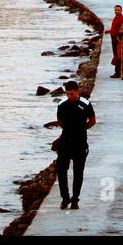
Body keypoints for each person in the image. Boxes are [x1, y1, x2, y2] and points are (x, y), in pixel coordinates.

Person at [49, 81, 96, 210]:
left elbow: (92, 121)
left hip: (80, 142)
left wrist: (82, 129)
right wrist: (69, 130)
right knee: (61, 170)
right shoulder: (62, 105)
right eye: (68, 94)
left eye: (72, 94)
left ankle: (75, 199)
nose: (70, 96)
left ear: (77, 91)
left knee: (78, 172)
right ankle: (65, 198)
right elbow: (59, 121)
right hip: (65, 141)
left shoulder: (85, 104)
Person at [108, 4, 123, 79]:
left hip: (117, 40)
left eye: (118, 10)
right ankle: (117, 71)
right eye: (115, 10)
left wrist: (118, 38)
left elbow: (122, 30)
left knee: (117, 56)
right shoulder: (116, 18)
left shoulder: (122, 19)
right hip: (113, 38)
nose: (116, 11)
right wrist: (109, 31)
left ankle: (118, 72)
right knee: (115, 55)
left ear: (121, 11)